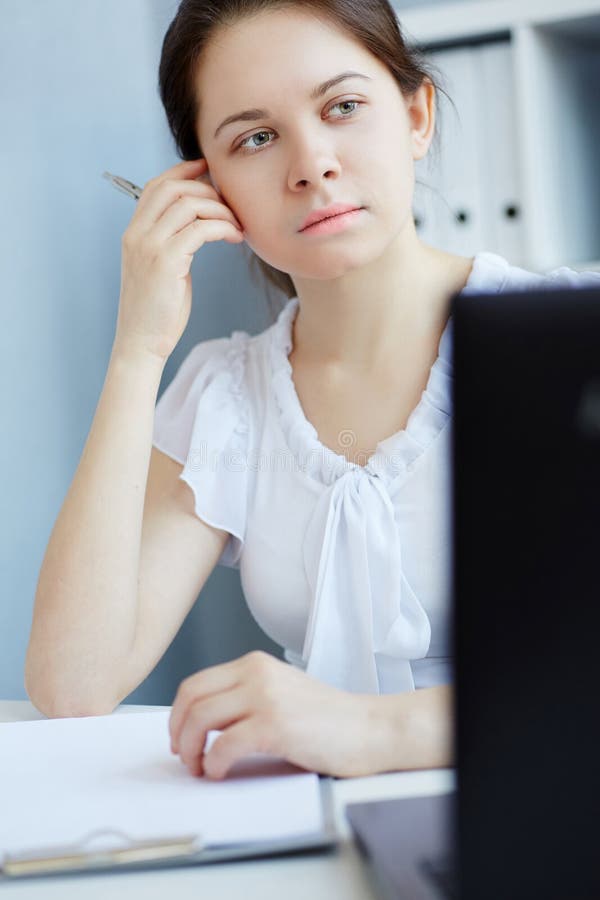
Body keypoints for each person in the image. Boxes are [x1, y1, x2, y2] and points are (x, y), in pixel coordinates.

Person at [25, 0, 600, 781]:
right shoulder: (226, 396)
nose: (311, 164)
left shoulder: (572, 333)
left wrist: (374, 730)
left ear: (416, 116)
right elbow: (72, 685)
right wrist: (139, 348)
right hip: (313, 840)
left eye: (343, 107)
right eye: (255, 138)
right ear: (208, 183)